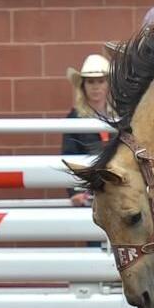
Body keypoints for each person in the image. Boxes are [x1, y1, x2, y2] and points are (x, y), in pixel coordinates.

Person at [62, 54, 114, 207]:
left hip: (117, 187)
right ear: (83, 86)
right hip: (87, 189)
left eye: (100, 81)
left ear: (108, 84)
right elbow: (69, 155)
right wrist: (74, 192)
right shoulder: (75, 118)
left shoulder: (120, 115)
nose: (96, 86)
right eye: (91, 82)